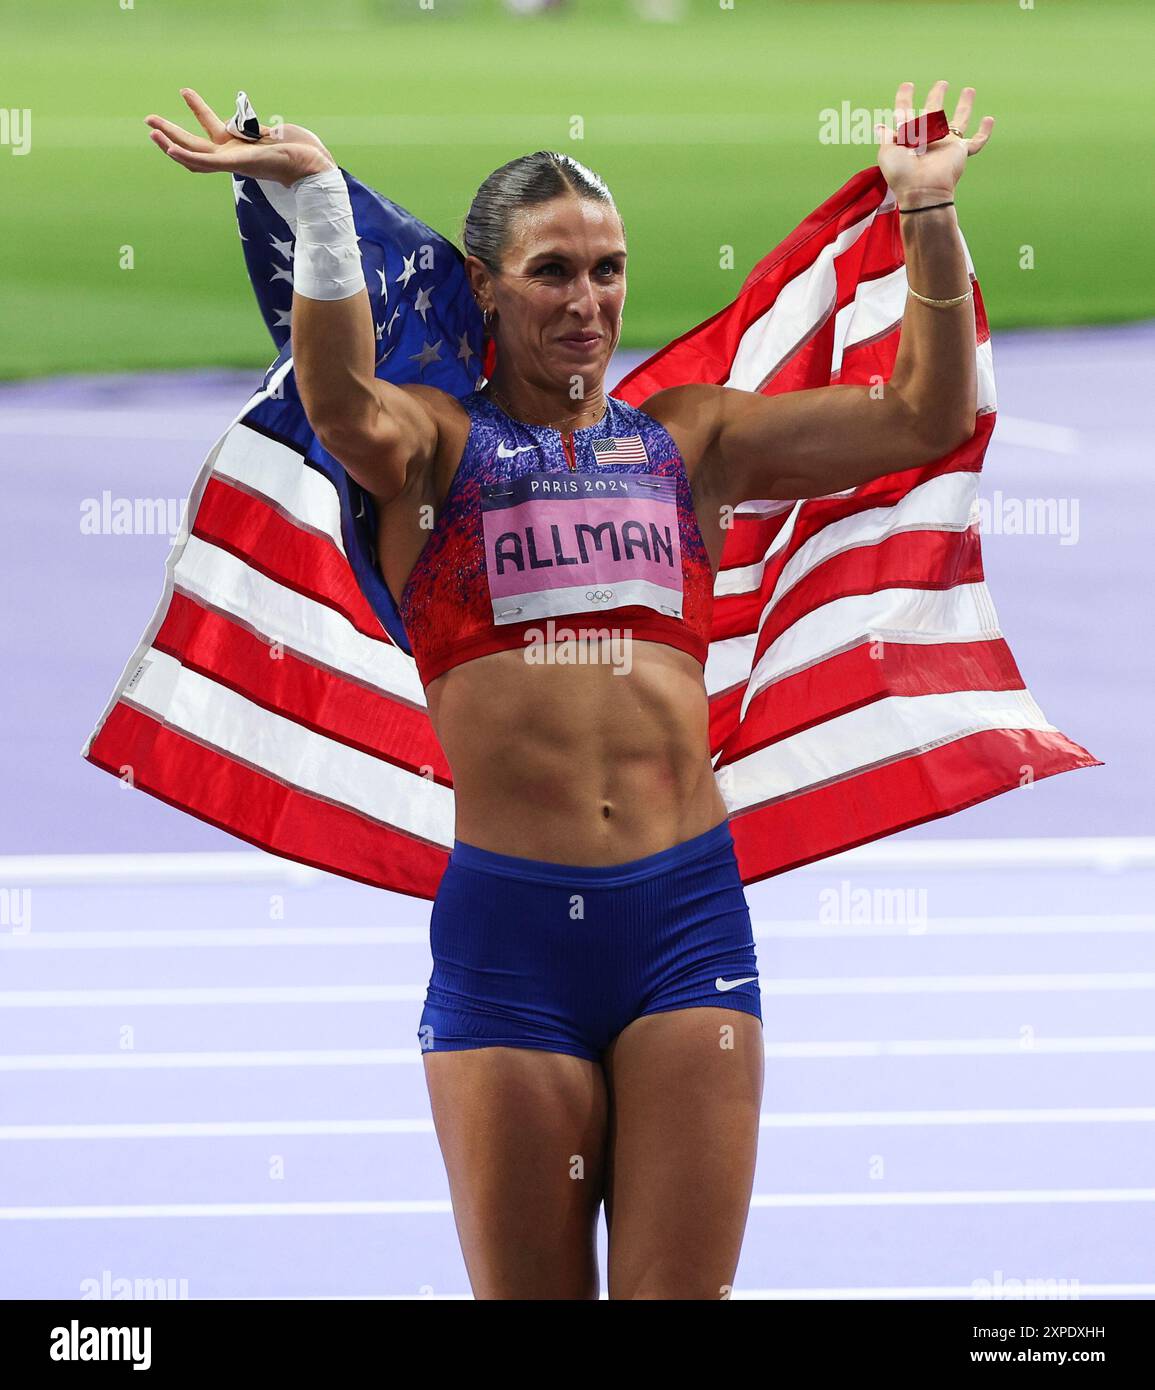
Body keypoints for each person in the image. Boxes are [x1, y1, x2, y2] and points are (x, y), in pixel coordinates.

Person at [144, 81, 993, 1300]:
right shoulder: (433, 448)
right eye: (552, 271)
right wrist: (321, 206)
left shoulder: (690, 441)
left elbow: (927, 414)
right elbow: (336, 400)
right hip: (511, 945)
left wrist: (927, 213)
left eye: (608, 270)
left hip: (688, 925)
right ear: (485, 287)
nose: (588, 302)